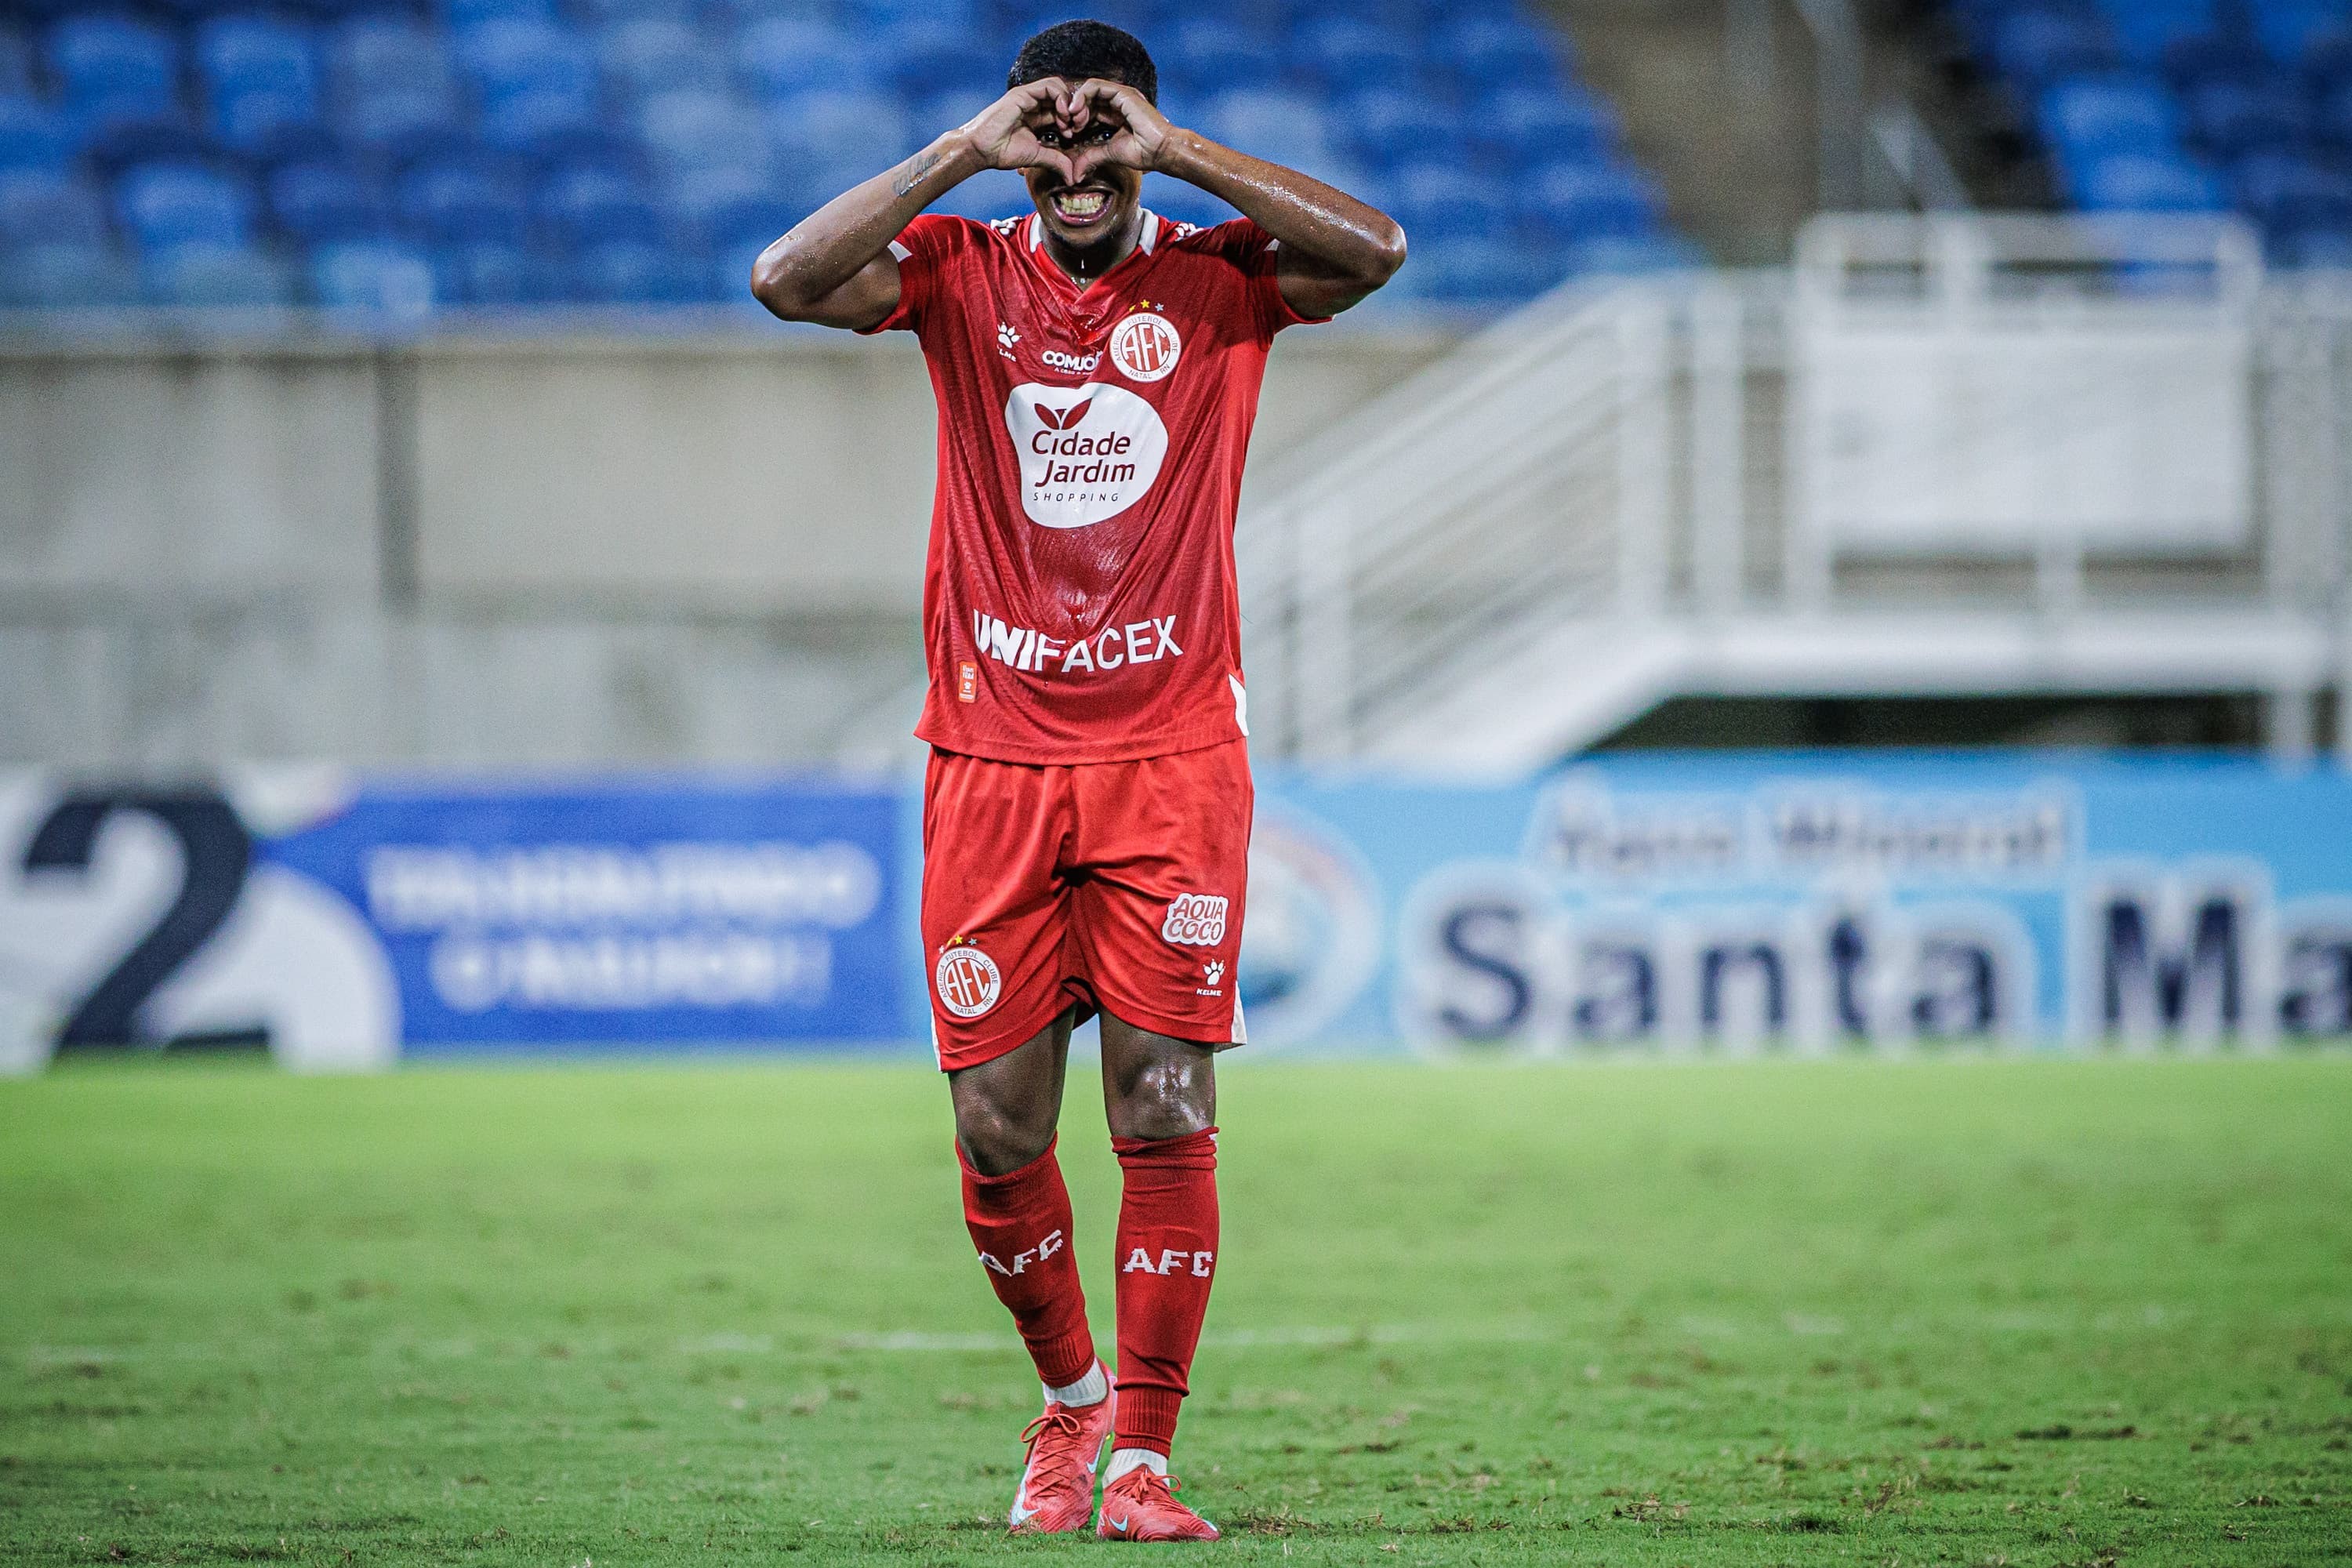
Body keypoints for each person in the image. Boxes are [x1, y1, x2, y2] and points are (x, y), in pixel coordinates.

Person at [750, 17, 1405, 1544]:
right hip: (988, 759)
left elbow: (1375, 250)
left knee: (1167, 1102)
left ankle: (1146, 1464)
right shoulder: (960, 273)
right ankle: (1070, 1399)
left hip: (1174, 757)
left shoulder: (1222, 275)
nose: (1078, 164)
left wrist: (1165, 144)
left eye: (1103, 139)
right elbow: (786, 281)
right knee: (995, 1127)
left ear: (1146, 144)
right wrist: (963, 154)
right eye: (1054, 142)